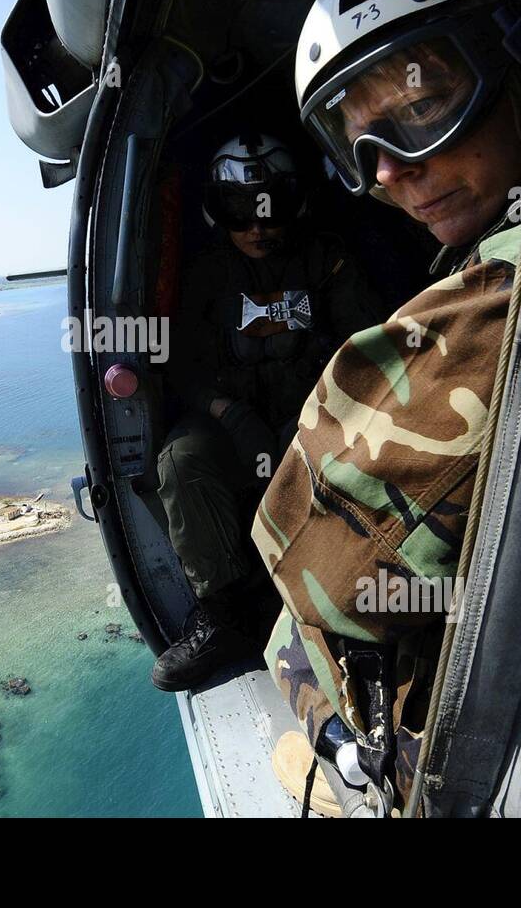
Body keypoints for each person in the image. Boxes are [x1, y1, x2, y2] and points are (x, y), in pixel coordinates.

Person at [250, 0, 521, 805]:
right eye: (360, 138)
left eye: (421, 106)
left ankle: (340, 762)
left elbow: (314, 565)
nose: (386, 169)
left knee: (286, 649)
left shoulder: (514, 286)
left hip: (474, 753)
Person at [152, 133, 385, 691]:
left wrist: (316, 411)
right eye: (240, 212)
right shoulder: (207, 275)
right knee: (181, 462)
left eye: (271, 209)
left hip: (316, 416)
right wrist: (228, 413)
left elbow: (369, 346)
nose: (257, 227)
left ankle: (335, 602)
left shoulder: (326, 260)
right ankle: (224, 612)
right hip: (231, 423)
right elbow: (179, 364)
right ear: (218, 212)